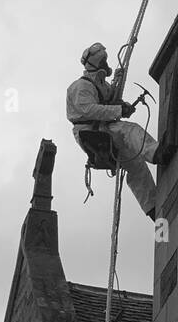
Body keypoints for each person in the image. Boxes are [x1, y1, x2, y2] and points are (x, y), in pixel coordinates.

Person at [67, 42, 158, 217]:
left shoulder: (103, 85)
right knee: (129, 130)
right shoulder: (81, 87)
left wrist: (123, 106)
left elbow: (111, 101)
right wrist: (118, 110)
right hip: (90, 131)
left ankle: (152, 207)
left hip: (103, 128)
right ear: (96, 64)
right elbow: (90, 110)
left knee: (135, 164)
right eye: (104, 61)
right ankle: (156, 152)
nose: (106, 64)